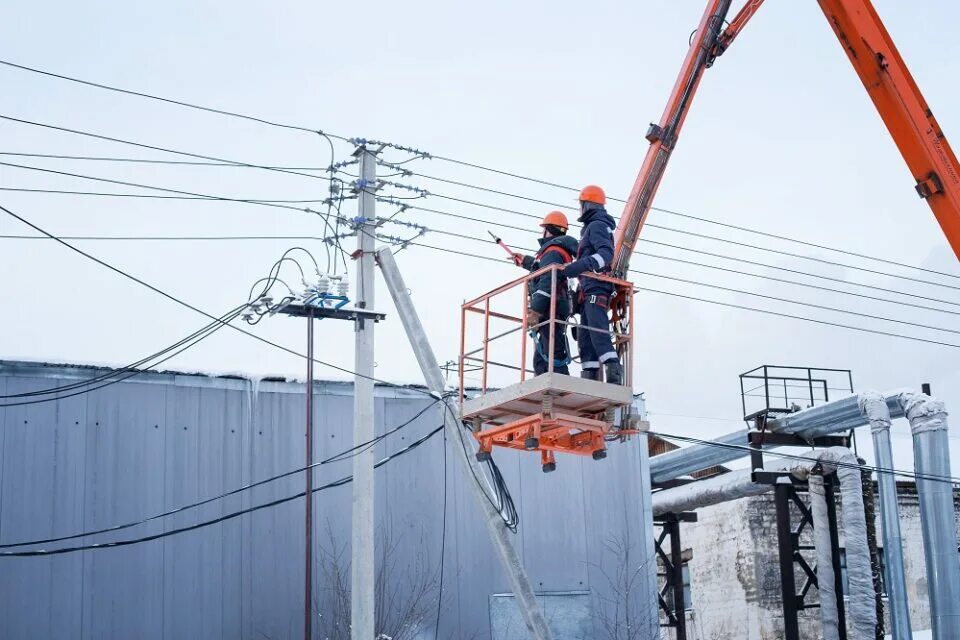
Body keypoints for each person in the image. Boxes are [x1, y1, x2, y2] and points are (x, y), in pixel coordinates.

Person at [561, 185, 624, 384]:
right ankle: (589, 378)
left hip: (596, 287)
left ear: (586, 205)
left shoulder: (596, 225)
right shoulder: (592, 227)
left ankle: (614, 376)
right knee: (586, 340)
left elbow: (605, 254)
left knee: (598, 333)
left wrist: (577, 267)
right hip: (587, 288)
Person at [512, 211, 579, 376]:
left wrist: (535, 310)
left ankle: (558, 384)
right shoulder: (557, 252)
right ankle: (548, 381)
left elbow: (547, 281)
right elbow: (543, 269)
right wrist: (526, 261)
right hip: (557, 304)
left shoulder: (552, 252)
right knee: (545, 354)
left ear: (547, 230)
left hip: (551, 306)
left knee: (551, 352)